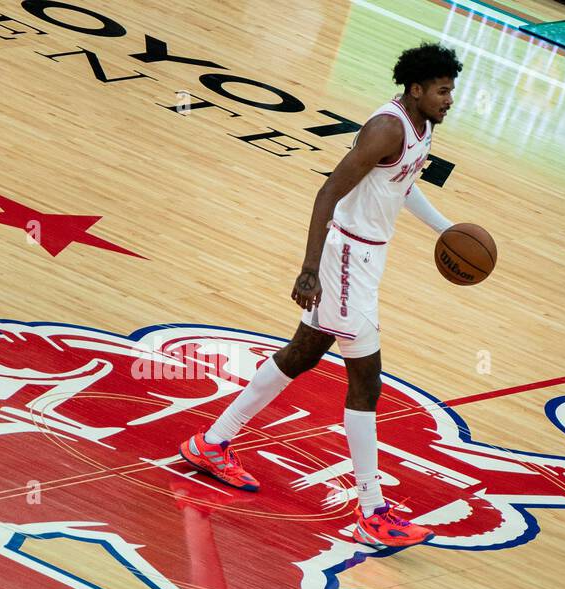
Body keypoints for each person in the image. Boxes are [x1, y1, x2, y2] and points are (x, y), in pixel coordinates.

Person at [179, 42, 464, 549]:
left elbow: (402, 184)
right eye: (443, 91)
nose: (449, 100)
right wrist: (310, 269)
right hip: (346, 259)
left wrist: (446, 229)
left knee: (303, 353)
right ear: (416, 89)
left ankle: (211, 442)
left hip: (368, 258)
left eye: (451, 91)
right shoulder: (388, 128)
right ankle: (372, 511)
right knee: (366, 379)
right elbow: (328, 193)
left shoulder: (423, 127)